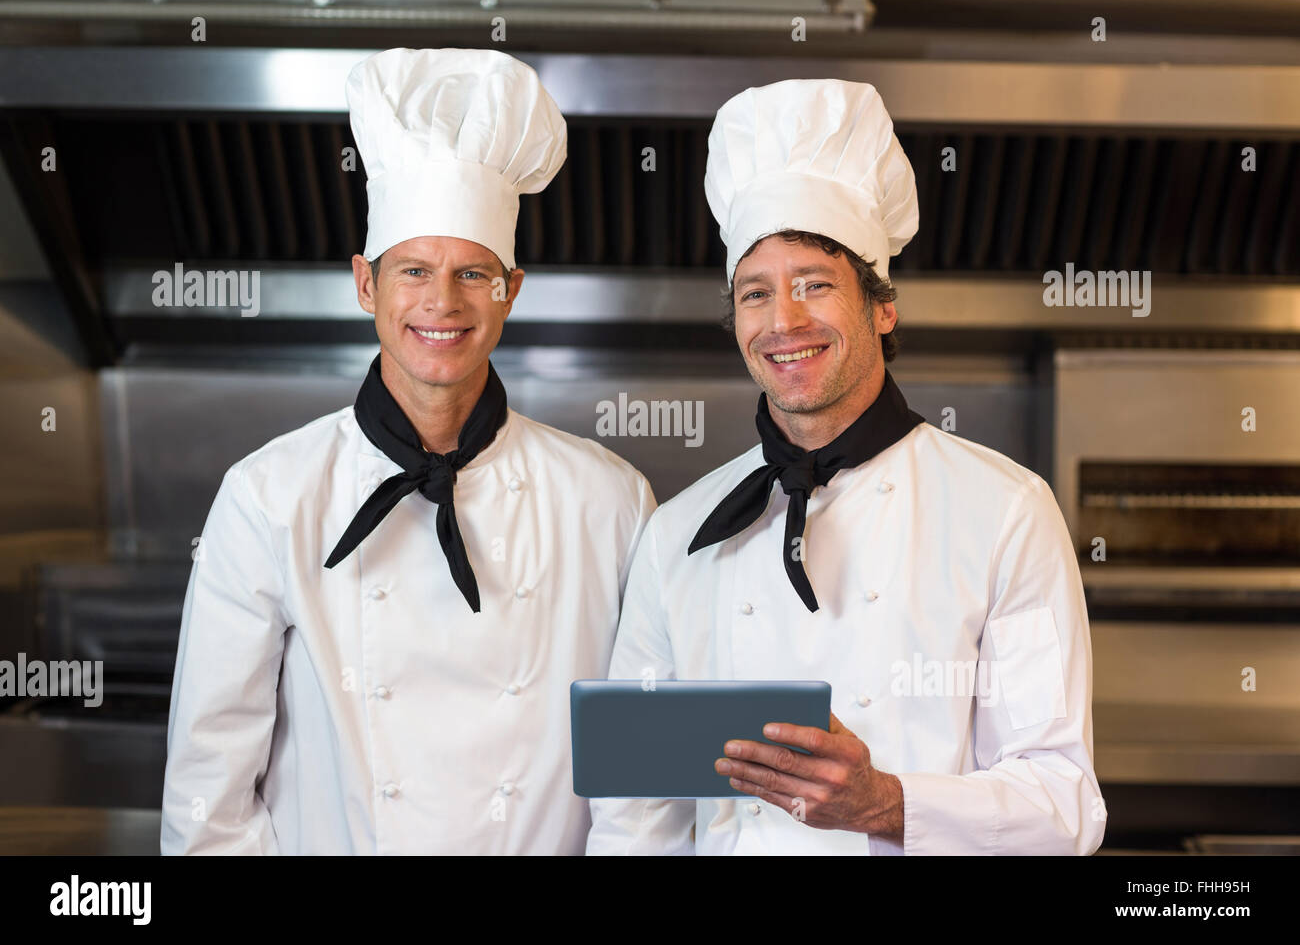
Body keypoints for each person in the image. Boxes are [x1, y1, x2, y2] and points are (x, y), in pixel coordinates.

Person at [587, 78, 1104, 855]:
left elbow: (1063, 801)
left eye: (814, 285)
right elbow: (636, 809)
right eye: (755, 294)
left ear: (882, 306)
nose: (783, 321)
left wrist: (884, 804)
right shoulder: (679, 531)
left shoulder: (1004, 510)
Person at [162, 48, 655, 854]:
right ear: (366, 285)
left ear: (512, 291)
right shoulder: (270, 494)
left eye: (473, 274)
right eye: (414, 270)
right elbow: (208, 791)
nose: (442, 302)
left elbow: (638, 781)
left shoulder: (609, 501)